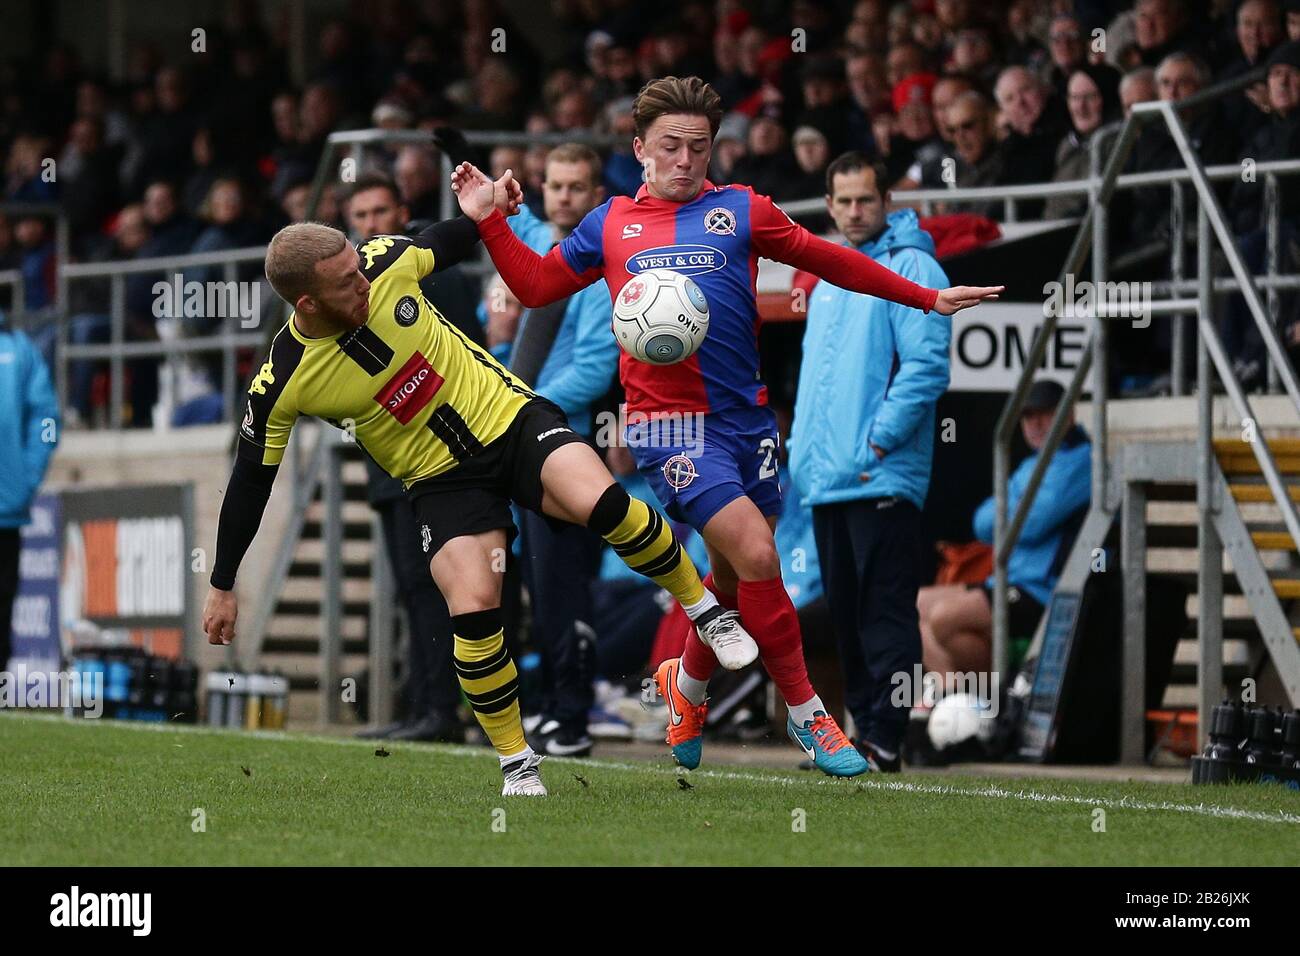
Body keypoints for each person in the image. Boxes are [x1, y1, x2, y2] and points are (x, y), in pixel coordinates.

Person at [454, 75, 1002, 778]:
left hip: (746, 424)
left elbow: (830, 258)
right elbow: (533, 285)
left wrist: (926, 295)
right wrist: (488, 221)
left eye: (700, 147)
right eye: (671, 147)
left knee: (735, 579)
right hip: (667, 427)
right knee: (760, 556)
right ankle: (816, 722)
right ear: (640, 148)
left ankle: (686, 687)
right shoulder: (611, 223)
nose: (686, 160)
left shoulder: (742, 211)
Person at [201, 200, 751, 798]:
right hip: (442, 484)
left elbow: (452, 239)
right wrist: (223, 581)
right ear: (306, 303)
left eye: (359, 267)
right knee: (475, 607)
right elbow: (251, 480)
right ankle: (517, 761)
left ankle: (706, 611)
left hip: (510, 420)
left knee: (606, 505)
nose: (362, 280)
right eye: (345, 282)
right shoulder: (281, 379)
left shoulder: (385, 260)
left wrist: (489, 210)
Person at [790, 153, 950, 774]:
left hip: (879, 476)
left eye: (866, 199)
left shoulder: (914, 267)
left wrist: (876, 444)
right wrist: (806, 460)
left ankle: (887, 735)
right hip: (828, 481)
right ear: (828, 206)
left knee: (884, 612)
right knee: (848, 618)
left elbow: (926, 368)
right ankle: (862, 736)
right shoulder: (829, 277)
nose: (855, 211)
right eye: (844, 201)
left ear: (886, 200)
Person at [494, 144, 621, 757]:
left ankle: (573, 716)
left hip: (565, 444)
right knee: (538, 584)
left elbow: (597, 371)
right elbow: (497, 212)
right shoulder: (542, 245)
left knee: (563, 580)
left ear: (596, 193)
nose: (566, 195)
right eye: (556, 185)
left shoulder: (597, 269)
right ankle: (550, 707)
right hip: (524, 439)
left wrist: (519, 400)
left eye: (578, 186)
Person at [343, 172, 480, 743]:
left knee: (440, 587)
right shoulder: (346, 287)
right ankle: (425, 705)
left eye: (381, 212)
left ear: (402, 211)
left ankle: (444, 711)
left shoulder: (427, 272)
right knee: (410, 588)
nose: (373, 223)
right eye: (362, 216)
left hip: (440, 455)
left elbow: (469, 351)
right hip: (387, 462)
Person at [917, 380, 1091, 679]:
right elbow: (981, 522)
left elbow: (1033, 523)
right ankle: (967, 697)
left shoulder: (1083, 459)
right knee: (912, 607)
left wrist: (1017, 510)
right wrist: (1019, 513)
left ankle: (963, 697)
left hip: (1042, 591)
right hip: (1006, 582)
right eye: (1027, 416)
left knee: (943, 617)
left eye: (1045, 414)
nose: (1035, 424)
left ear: (1069, 414)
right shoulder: (1031, 465)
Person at [0, 311, 60, 671]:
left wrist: (29, 474)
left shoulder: (20, 351)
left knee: (2, 604)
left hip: (6, 510)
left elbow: (48, 420)